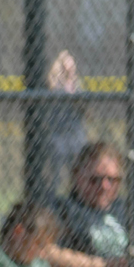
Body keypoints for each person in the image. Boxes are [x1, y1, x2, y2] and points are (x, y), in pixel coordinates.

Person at [45, 50, 87, 186]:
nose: (70, 68)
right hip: (58, 134)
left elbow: (83, 107)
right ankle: (53, 194)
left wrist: (73, 84)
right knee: (55, 174)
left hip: (75, 134)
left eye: (72, 64)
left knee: (77, 171)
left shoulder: (77, 86)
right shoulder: (54, 84)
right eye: (66, 64)